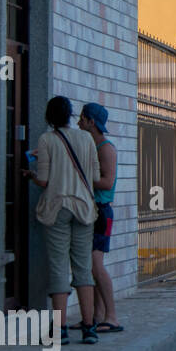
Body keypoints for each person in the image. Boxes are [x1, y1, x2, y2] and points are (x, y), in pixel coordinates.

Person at [23, 96, 100, 344]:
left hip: (56, 208)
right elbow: (95, 175)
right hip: (84, 209)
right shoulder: (87, 138)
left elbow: (44, 181)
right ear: (69, 115)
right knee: (83, 268)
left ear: (49, 116)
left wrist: (31, 175)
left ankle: (60, 329)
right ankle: (89, 327)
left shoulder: (46, 140)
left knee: (58, 266)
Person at [79, 103, 122, 333]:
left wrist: (81, 176)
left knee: (97, 266)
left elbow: (107, 182)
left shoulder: (106, 149)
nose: (78, 123)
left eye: (82, 119)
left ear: (91, 122)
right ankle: (96, 316)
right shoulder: (93, 147)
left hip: (102, 212)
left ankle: (112, 316)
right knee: (91, 267)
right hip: (92, 211)